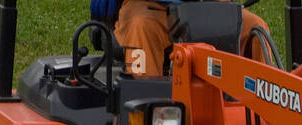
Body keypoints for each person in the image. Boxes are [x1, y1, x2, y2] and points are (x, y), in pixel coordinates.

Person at [115, 0, 272, 77]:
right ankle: (145, 109)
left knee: (256, 28)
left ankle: (269, 111)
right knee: (141, 27)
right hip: (151, 6)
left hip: (210, 6)